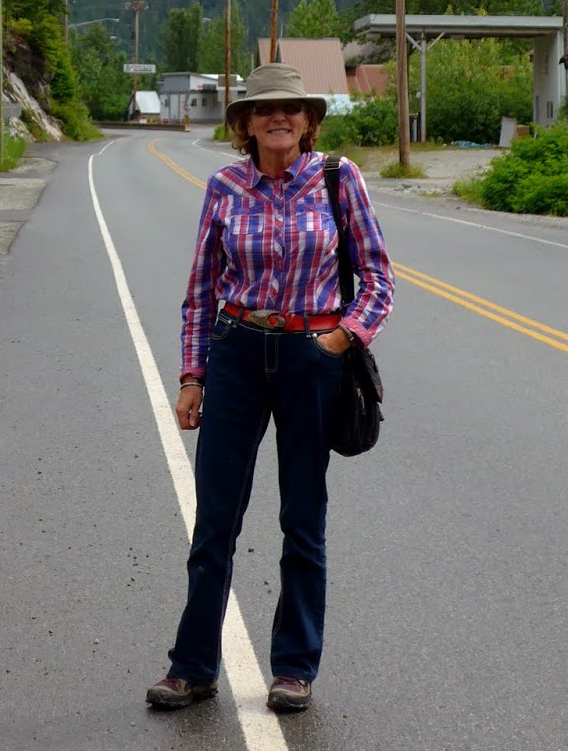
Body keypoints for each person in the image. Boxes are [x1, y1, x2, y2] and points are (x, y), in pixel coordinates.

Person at [146, 62, 394, 715]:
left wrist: (342, 338)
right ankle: (192, 666)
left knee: (301, 520)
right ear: (244, 125)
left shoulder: (338, 179)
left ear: (309, 120)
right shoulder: (224, 186)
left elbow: (376, 276)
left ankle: (292, 668)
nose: (276, 117)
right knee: (215, 519)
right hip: (235, 353)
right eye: (262, 110)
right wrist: (191, 374)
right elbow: (201, 285)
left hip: (313, 358)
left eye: (289, 109)